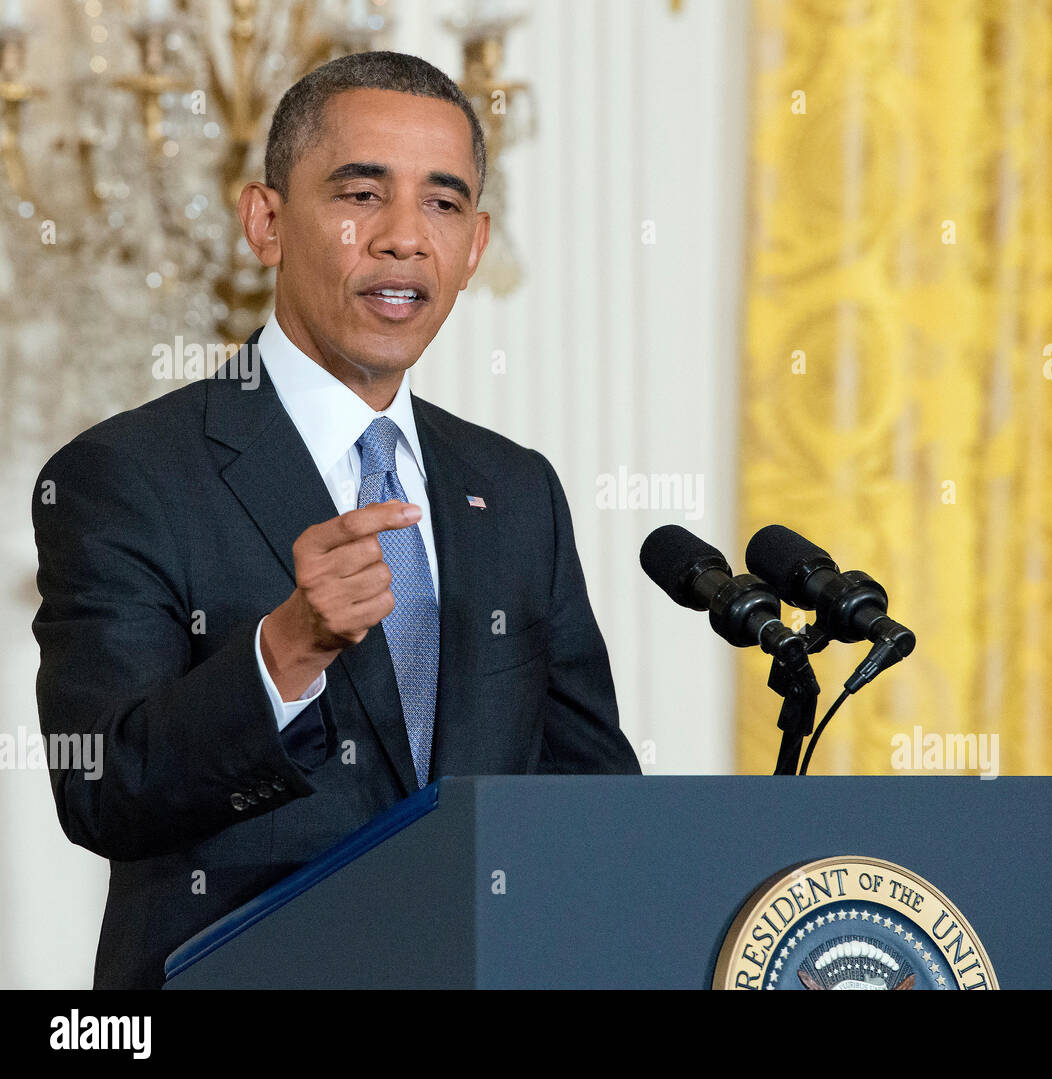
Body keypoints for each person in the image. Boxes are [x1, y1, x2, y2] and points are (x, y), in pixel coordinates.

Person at [30, 50, 640, 990]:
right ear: (266, 222)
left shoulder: (515, 489)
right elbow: (102, 787)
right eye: (361, 193)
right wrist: (284, 653)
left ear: (475, 246)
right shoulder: (127, 475)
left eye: (442, 204)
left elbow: (593, 801)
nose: (403, 238)